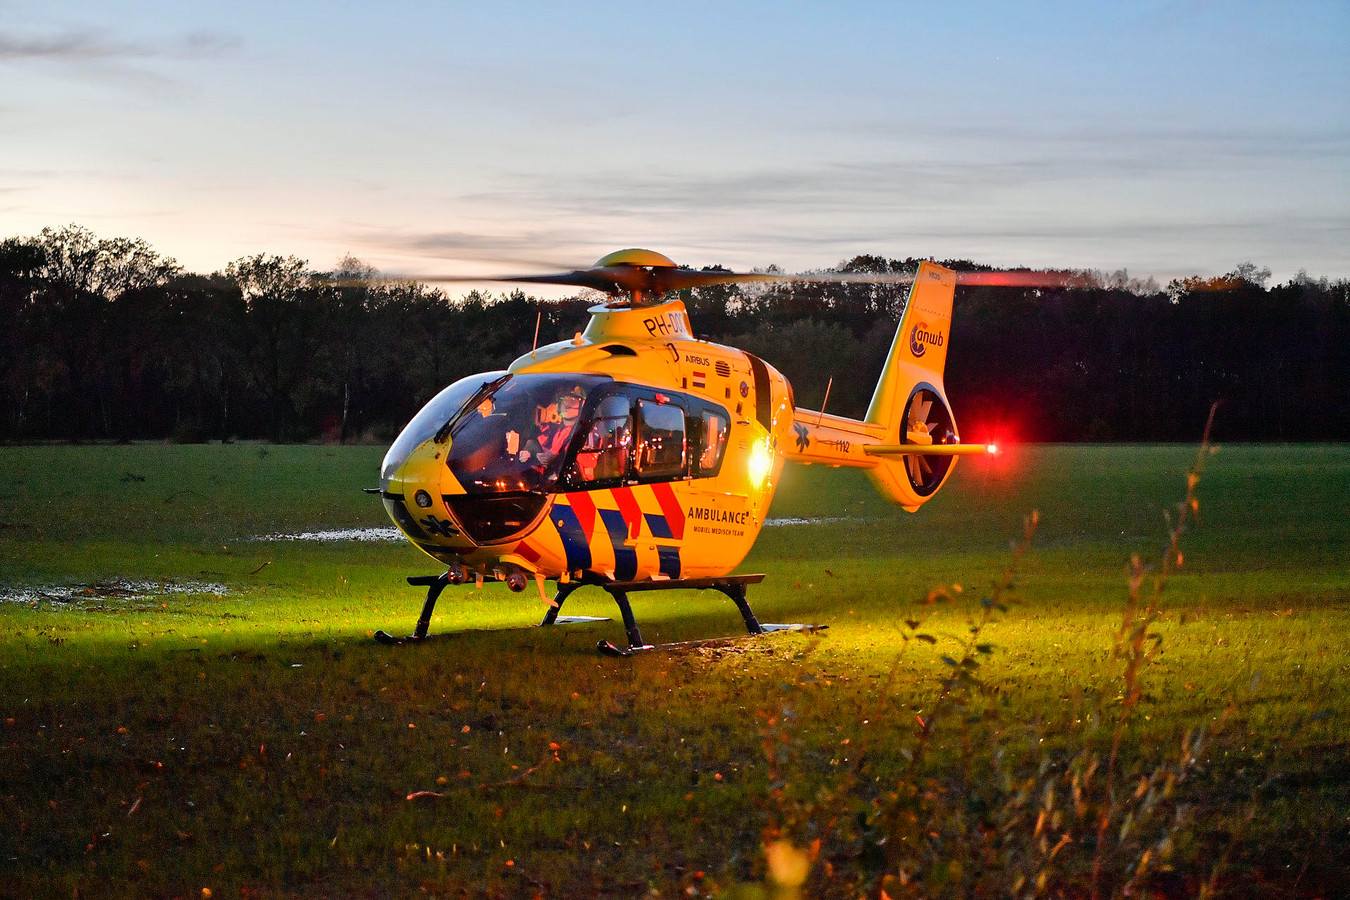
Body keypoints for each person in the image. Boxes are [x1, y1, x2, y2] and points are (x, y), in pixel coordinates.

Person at [530, 387, 583, 468]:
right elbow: (534, 443)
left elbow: (589, 462)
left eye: (573, 401)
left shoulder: (585, 432)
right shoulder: (553, 428)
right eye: (564, 400)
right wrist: (529, 452)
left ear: (582, 406)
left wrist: (557, 459)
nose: (567, 405)